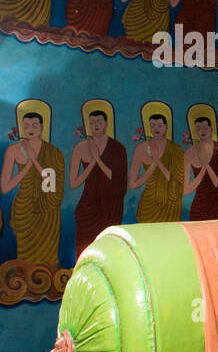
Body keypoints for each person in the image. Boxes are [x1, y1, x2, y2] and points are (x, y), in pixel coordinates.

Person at [1, 111, 64, 264]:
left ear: (42, 127)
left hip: (48, 211)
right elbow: (5, 187)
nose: (30, 128)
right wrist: (27, 165)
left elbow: (51, 184)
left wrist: (33, 159)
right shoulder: (13, 150)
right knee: (24, 259)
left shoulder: (54, 153)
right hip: (24, 209)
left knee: (47, 259)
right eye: (26, 125)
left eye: (35, 125)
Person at [69, 108, 127, 257]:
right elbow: (73, 183)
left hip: (110, 205)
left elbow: (118, 182)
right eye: (92, 122)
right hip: (89, 203)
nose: (96, 125)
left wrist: (97, 158)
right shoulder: (80, 148)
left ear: (106, 123)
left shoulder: (118, 148)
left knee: (108, 247)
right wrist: (92, 163)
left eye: (99, 122)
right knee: (85, 246)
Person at [129, 113, 184, 222]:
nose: (156, 129)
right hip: (148, 204)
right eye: (152, 125)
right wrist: (154, 164)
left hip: (171, 206)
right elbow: (133, 184)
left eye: (159, 125)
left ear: (166, 126)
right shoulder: (141, 148)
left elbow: (178, 185)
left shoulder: (176, 150)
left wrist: (158, 161)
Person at [183, 114, 218, 220]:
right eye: (198, 129)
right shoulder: (190, 153)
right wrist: (202, 169)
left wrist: (206, 164)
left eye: (205, 128)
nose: (202, 131)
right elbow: (186, 190)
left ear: (211, 129)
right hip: (199, 207)